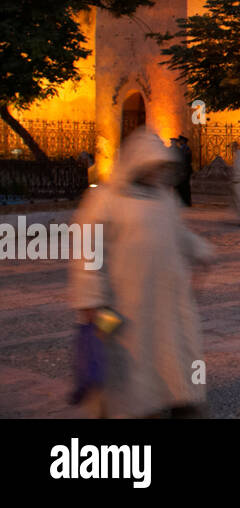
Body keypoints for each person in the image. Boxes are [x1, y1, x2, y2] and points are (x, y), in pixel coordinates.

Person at [68, 127, 216, 417]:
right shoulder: (105, 199)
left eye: (161, 166)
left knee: (173, 351)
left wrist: (202, 250)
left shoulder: (164, 197)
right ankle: (127, 409)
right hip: (123, 302)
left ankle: (178, 398)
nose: (156, 172)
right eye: (152, 166)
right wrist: (89, 298)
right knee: (127, 358)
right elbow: (89, 252)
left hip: (167, 299)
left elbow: (177, 232)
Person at [170, 135, 193, 206]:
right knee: (182, 187)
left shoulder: (185, 148)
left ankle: (185, 202)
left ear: (183, 141)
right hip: (182, 170)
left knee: (185, 187)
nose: (179, 142)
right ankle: (183, 201)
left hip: (185, 170)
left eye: (180, 140)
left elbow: (185, 160)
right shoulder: (182, 148)